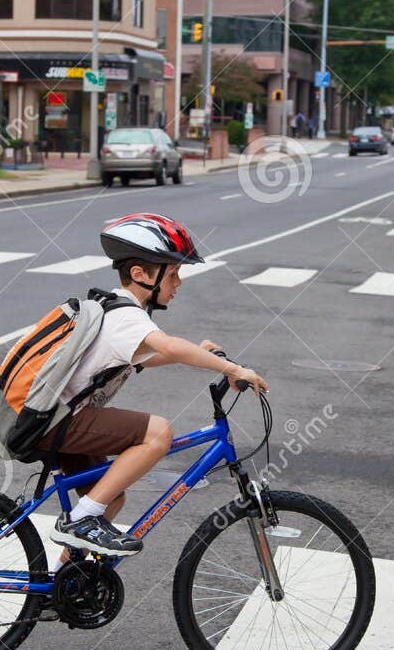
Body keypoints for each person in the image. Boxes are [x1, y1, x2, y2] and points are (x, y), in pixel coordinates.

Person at [45, 213, 267, 557]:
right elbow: (168, 345)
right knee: (159, 433)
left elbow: (150, 355)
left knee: (110, 497)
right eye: (173, 274)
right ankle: (80, 519)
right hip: (60, 423)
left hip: (58, 420)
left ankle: (60, 582)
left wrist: (200, 352)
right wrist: (233, 367)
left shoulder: (116, 311)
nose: (178, 283)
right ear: (140, 275)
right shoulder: (125, 315)